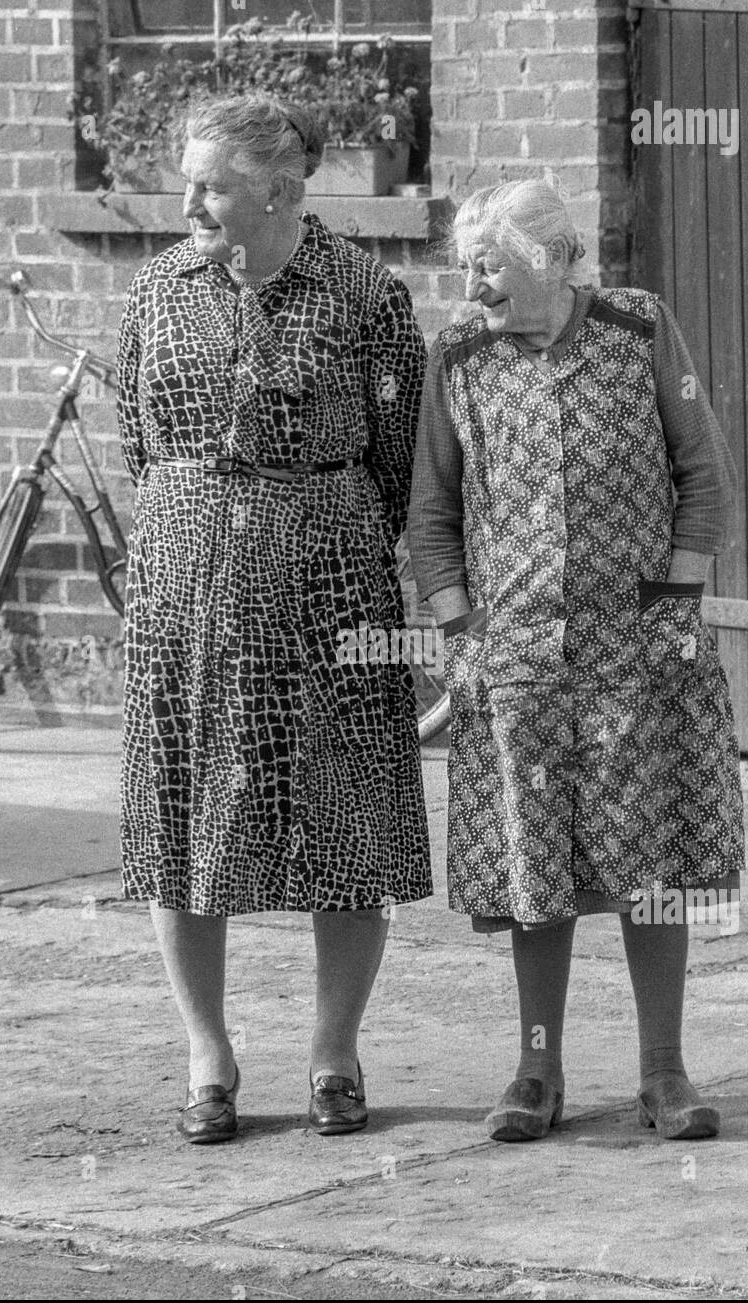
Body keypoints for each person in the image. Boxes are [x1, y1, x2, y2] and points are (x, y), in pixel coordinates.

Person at [116, 93, 432, 1143]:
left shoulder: (363, 292)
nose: (190, 201)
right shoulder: (155, 287)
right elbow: (138, 440)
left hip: (332, 581)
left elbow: (402, 459)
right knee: (182, 811)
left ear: (280, 192)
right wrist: (197, 526)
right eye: (189, 179)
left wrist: (316, 526)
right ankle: (207, 1054)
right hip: (182, 584)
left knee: (345, 816)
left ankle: (333, 1050)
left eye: (210, 183)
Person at [408, 178, 744, 1144]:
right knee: (532, 871)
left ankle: (663, 1074)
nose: (473, 289)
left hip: (638, 653)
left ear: (551, 261)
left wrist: (672, 610)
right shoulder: (459, 358)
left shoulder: (639, 330)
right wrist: (460, 630)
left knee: (653, 869)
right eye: (466, 267)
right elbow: (433, 515)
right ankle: (535, 1070)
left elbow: (702, 479)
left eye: (490, 267)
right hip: (513, 657)